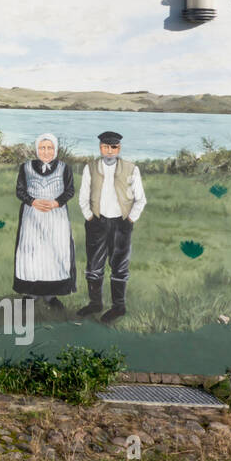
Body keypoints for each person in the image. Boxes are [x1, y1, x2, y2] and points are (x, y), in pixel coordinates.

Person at [76, 130, 147, 323]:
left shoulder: (131, 168)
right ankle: (95, 304)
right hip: (97, 222)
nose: (109, 151)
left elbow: (140, 199)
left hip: (121, 223)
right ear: (100, 147)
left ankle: (119, 307)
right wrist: (90, 217)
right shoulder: (90, 168)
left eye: (113, 147)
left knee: (120, 266)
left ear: (119, 148)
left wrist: (130, 219)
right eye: (105, 147)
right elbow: (83, 197)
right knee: (93, 266)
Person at [13, 134, 76, 310]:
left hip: (56, 216)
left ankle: (51, 294)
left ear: (55, 150)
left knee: (54, 253)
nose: (46, 152)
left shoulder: (64, 168)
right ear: (36, 150)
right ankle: (31, 292)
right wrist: (32, 201)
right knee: (31, 252)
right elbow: (19, 191)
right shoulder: (26, 168)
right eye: (42, 148)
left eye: (50, 148)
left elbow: (70, 191)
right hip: (32, 216)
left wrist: (56, 202)